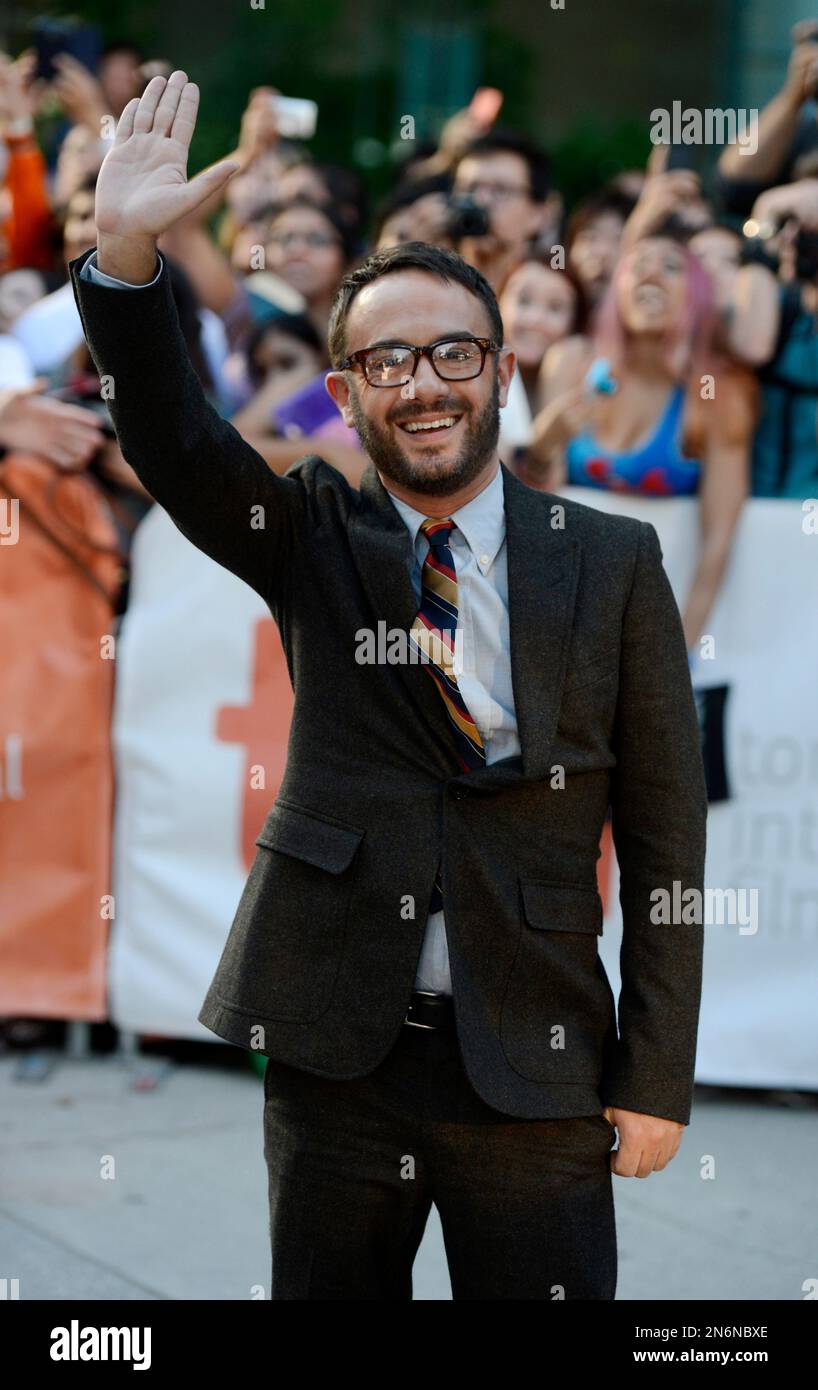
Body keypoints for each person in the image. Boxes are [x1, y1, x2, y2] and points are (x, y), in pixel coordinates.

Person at [71, 70, 707, 1301]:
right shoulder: (307, 533)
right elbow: (167, 431)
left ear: (503, 367)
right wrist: (123, 256)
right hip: (331, 1058)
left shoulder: (615, 561)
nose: (424, 384)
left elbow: (668, 836)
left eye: (453, 352)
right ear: (348, 393)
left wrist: (653, 1070)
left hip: (538, 1059)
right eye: (388, 361)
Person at [529, 231, 757, 651]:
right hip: (557, 610)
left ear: (698, 297)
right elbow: (536, 501)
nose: (651, 272)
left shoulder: (717, 395)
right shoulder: (573, 362)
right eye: (637, 264)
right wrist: (546, 439)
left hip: (652, 622)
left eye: (671, 267)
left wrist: (678, 657)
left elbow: (718, 543)